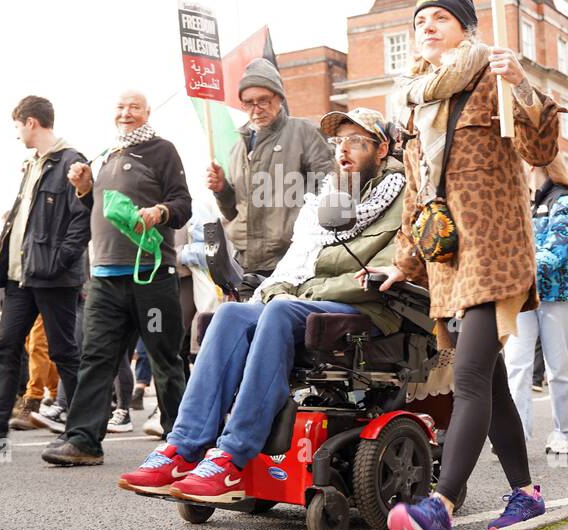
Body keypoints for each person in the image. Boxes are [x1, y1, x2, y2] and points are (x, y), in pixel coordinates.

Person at [117, 108, 406, 498]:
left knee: (280, 311)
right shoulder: (324, 201)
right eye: (338, 142)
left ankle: (233, 456)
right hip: (308, 299)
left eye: (356, 141)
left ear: (381, 147)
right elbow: (292, 266)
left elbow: (385, 268)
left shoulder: (401, 195)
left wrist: (300, 293)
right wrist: (275, 289)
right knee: (232, 312)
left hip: (368, 308)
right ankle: (183, 447)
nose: (343, 151)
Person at [365, 0, 561, 530]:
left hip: (495, 247)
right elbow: (416, 196)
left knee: (469, 377)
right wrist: (403, 263)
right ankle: (525, 493)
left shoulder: (491, 76)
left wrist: (522, 83)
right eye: (420, 19)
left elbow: (541, 150)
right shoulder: (416, 102)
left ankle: (441, 505)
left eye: (441, 17)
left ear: (465, 27)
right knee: (492, 383)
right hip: (449, 259)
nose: (427, 26)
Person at [40, 90, 191, 466]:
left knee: (164, 357)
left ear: (147, 112)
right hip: (105, 276)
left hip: (151, 274)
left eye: (134, 107)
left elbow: (182, 203)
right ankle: (84, 441)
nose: (126, 113)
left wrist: (160, 212)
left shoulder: (163, 150)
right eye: (121, 107)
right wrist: (85, 188)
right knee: (95, 357)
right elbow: (98, 210)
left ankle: (182, 442)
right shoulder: (106, 154)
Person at [0, 96, 90, 452]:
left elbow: (82, 218)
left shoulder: (72, 161)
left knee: (64, 352)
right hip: (20, 278)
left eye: (17, 126)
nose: (16, 135)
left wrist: (59, 261)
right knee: (7, 347)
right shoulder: (32, 165)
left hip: (52, 276)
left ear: (30, 122)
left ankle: (80, 432)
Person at [208, 58, 334, 274]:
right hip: (246, 264)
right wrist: (221, 190)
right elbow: (231, 211)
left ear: (279, 98)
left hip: (293, 262)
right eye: (248, 103)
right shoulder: (236, 147)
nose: (256, 109)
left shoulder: (304, 132)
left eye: (263, 100)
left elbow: (328, 191)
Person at [503, 158, 568, 454]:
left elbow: (559, 247)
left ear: (535, 166)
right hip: (523, 294)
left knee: (559, 367)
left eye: (521, 162)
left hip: (558, 295)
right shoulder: (523, 200)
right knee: (517, 365)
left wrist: (520, 268)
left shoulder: (564, 199)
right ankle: (516, 435)